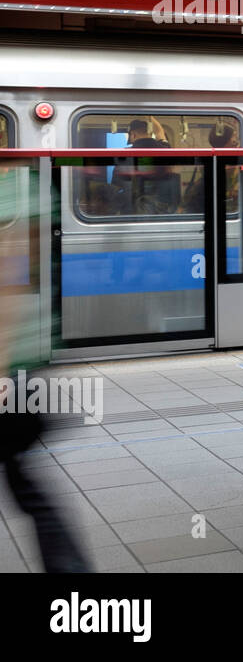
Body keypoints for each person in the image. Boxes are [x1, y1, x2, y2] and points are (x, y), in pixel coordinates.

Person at [0, 164, 93, 573]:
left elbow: (11, 281)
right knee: (26, 485)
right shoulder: (22, 188)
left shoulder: (14, 191)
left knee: (27, 486)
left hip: (10, 364)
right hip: (14, 364)